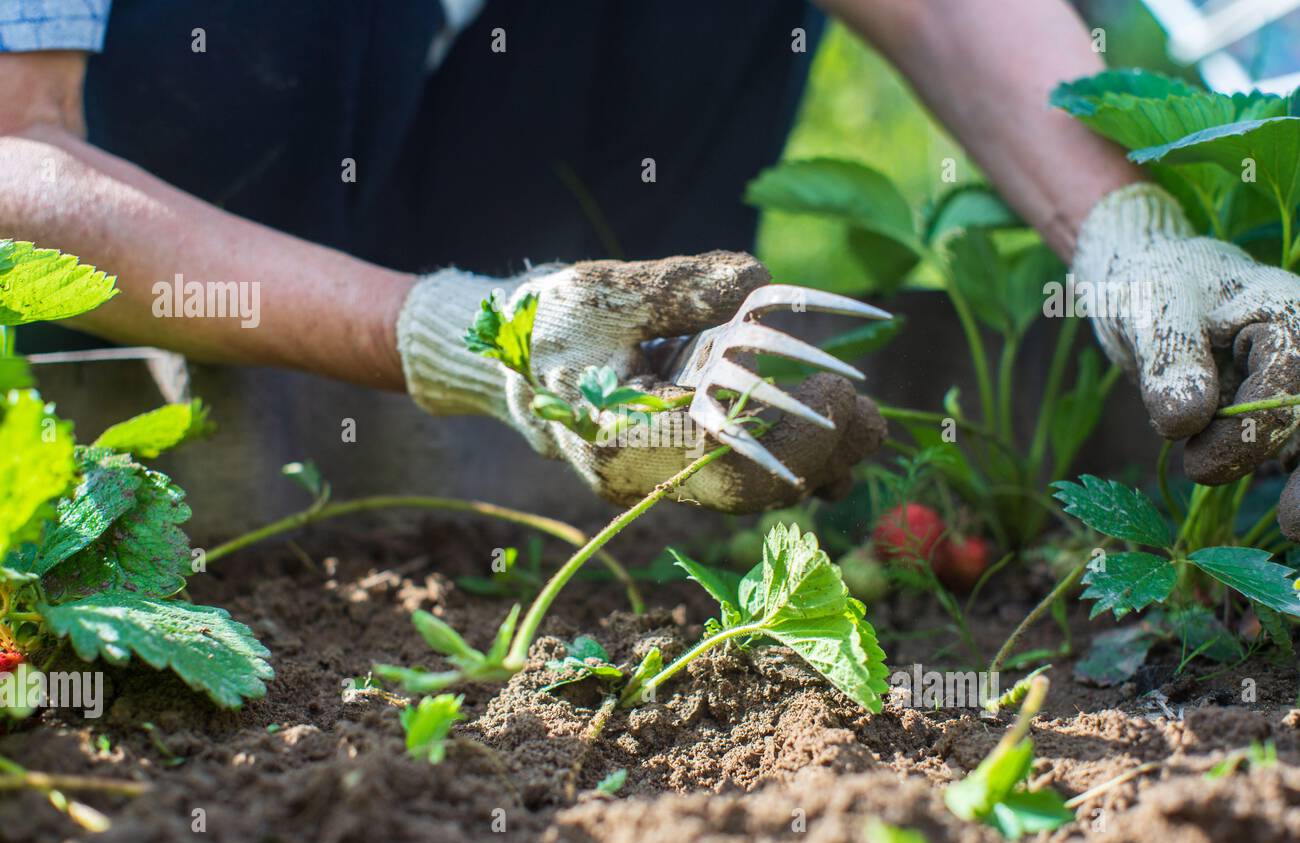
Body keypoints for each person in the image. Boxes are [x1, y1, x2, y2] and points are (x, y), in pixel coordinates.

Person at [4, 1, 1300, 532]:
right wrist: (462, 332)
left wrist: (1135, 241)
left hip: (593, 273)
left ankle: (651, 386)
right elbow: (19, 160)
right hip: (190, 293)